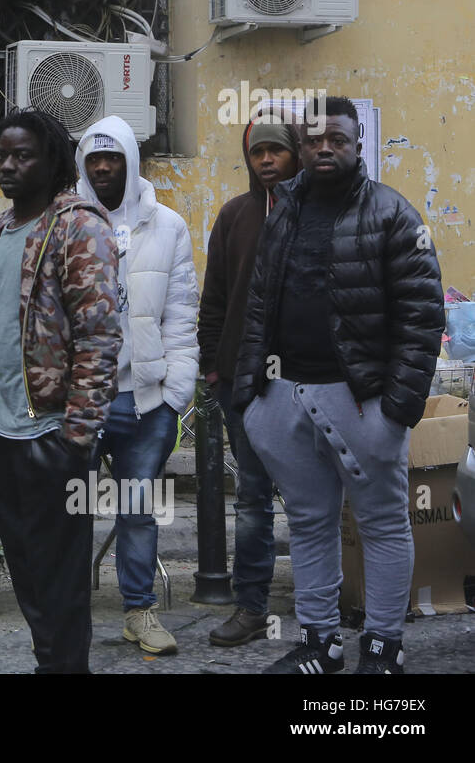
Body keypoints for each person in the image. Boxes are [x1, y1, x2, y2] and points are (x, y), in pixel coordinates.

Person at [234, 96, 444, 674]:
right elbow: (258, 305)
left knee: (381, 522)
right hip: (284, 396)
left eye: (339, 140)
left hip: (363, 400)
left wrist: (397, 408)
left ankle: (382, 647)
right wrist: (251, 397)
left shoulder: (394, 214)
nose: (325, 148)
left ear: (358, 146)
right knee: (308, 523)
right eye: (314, 140)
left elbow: (422, 315)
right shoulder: (284, 212)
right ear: (302, 148)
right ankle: (320, 644)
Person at [0, 108, 122, 673]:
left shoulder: (80, 226)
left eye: (22, 155)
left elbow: (100, 335)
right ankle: (48, 662)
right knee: (27, 570)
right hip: (4, 433)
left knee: (60, 576)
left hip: (55, 435)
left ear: (52, 160)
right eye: (1, 155)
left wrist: (77, 435)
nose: (7, 166)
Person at [75, 115, 199, 656]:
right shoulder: (69, 224)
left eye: (113, 158)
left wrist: (176, 393)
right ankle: (68, 615)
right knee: (71, 509)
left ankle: (139, 613)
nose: (103, 167)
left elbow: (181, 313)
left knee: (138, 509)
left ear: (130, 160)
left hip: (146, 400)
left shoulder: (167, 225)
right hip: (83, 400)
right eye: (93, 159)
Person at [198, 108, 301, 647]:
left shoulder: (318, 212)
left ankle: (318, 610)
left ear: (295, 153)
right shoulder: (235, 216)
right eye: (258, 151)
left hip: (312, 385)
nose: (266, 159)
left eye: (276, 149)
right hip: (245, 386)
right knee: (253, 502)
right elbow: (214, 301)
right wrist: (215, 369)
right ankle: (252, 607)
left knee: (314, 503)